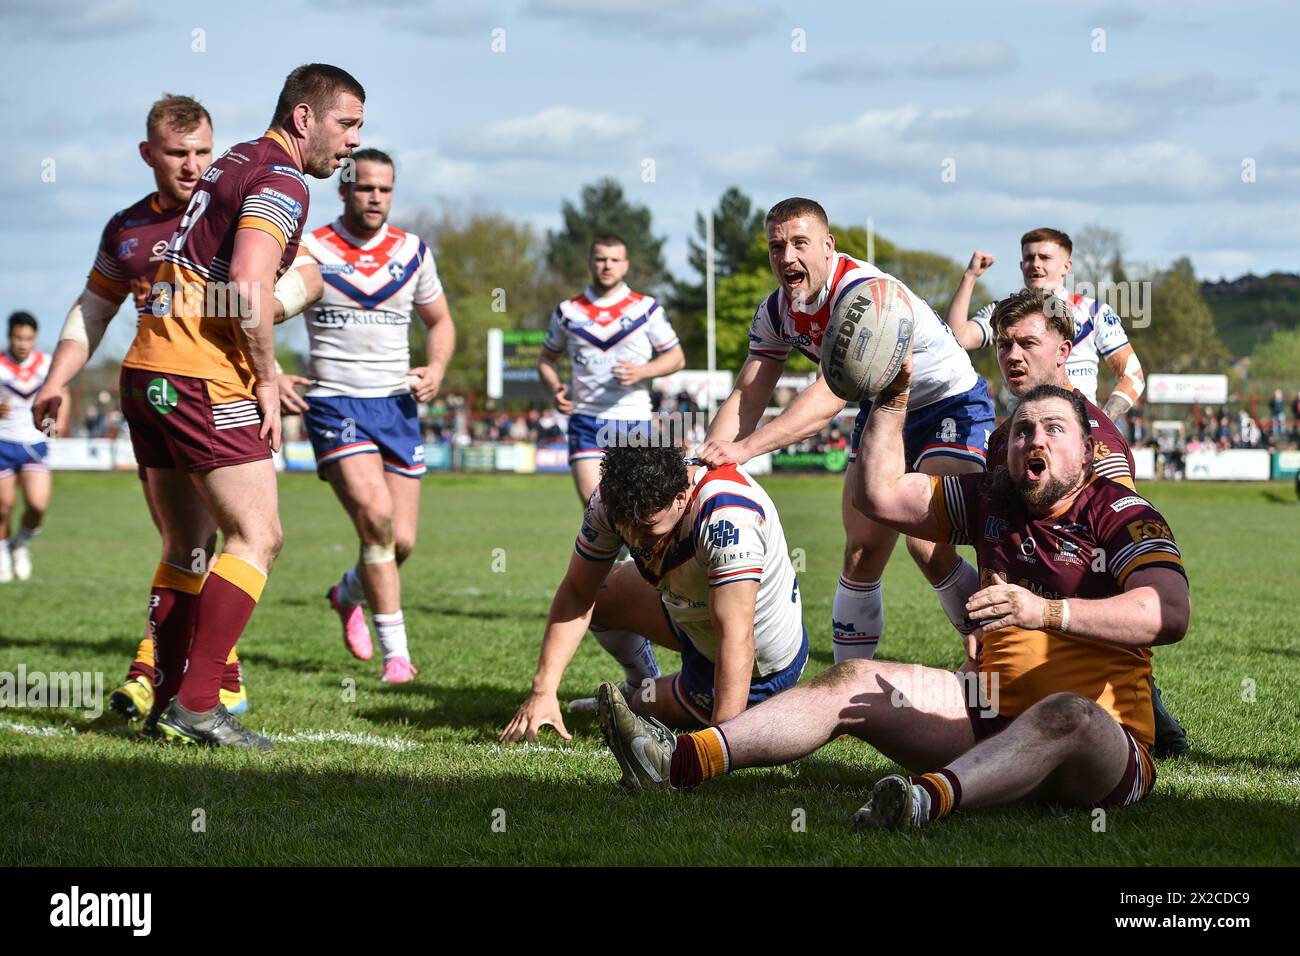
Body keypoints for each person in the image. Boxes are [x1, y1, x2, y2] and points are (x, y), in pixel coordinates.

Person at [600, 376, 1190, 832]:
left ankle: (923, 801)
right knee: (853, 680)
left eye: (1054, 429)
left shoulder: (1122, 512)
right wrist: (889, 396)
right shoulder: (993, 500)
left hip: (1105, 749)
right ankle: (677, 761)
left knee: (1067, 713)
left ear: (1087, 454)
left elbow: (1169, 614)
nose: (1033, 438)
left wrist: (1046, 613)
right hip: (984, 712)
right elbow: (881, 496)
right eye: (1022, 429)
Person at [112, 64, 363, 748]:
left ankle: (166, 695)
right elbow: (250, 289)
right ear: (305, 118)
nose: (351, 146)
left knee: (189, 546)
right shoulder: (279, 178)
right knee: (258, 536)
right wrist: (265, 375)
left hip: (148, 368)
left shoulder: (235, 160)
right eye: (346, 126)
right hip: (201, 373)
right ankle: (199, 703)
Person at [31, 95, 302, 718]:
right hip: (184, 387)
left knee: (199, 546)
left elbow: (302, 279)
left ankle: (163, 681)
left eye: (203, 151)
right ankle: (197, 692)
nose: (192, 165)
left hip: (200, 381)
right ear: (147, 154)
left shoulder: (242, 200)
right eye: (178, 154)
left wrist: (262, 346)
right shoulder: (128, 229)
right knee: (238, 538)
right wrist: (57, 376)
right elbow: (93, 307)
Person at [697, 197, 994, 662]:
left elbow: (830, 397)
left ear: (828, 246)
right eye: (777, 247)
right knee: (859, 552)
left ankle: (998, 649)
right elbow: (748, 394)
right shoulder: (777, 312)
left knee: (926, 536)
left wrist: (746, 449)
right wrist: (708, 465)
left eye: (800, 243)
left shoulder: (861, 293)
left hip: (948, 405)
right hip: (882, 409)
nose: (788, 257)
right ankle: (844, 684)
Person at [965, 287, 1187, 757]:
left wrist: (1055, 615)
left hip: (1086, 652)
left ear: (1064, 352)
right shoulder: (1006, 434)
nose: (1012, 356)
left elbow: (1118, 539)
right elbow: (999, 531)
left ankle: (1149, 711)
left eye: (1026, 344)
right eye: (1005, 345)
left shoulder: (1095, 436)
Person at [280, 147, 454, 683]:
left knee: (400, 541)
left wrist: (438, 367)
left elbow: (441, 322)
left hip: (397, 406)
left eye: (384, 189)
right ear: (343, 190)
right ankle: (397, 656)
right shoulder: (308, 248)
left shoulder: (413, 252)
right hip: (334, 402)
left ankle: (346, 593)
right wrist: (272, 373)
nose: (374, 197)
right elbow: (255, 305)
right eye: (364, 188)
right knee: (375, 518)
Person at [501, 444, 808, 743]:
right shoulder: (610, 499)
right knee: (603, 590)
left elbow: (737, 636)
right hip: (691, 612)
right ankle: (639, 683)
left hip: (756, 661)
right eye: (626, 529)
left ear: (680, 498)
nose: (637, 541)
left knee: (640, 709)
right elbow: (577, 593)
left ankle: (640, 698)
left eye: (648, 530)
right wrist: (543, 690)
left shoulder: (727, 517)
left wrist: (717, 750)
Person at [538, 236, 685, 503]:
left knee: (639, 508)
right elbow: (545, 360)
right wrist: (555, 388)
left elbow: (676, 358)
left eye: (614, 260)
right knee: (596, 506)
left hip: (634, 420)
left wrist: (643, 371)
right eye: (601, 259)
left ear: (625, 265)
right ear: (590, 263)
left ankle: (633, 548)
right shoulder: (567, 312)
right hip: (586, 420)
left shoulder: (646, 308)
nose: (607, 266)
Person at [945, 228, 1146, 422]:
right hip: (1023, 433)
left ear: (1066, 267)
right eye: (1029, 258)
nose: (1035, 264)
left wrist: (1102, 421)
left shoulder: (1094, 311)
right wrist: (970, 276)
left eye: (1045, 257)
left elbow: (1133, 376)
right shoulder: (1003, 312)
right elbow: (957, 339)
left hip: (1078, 431)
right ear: (1021, 264)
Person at [0, 313, 62, 583]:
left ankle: (20, 543)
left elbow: (62, 393)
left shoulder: (47, 364)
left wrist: (55, 426)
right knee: (4, 506)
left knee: (37, 504)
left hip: (35, 442)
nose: (23, 344)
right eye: (17, 338)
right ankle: (2, 553)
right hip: (2, 442)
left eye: (28, 338)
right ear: (9, 336)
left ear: (35, 338)